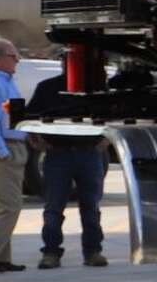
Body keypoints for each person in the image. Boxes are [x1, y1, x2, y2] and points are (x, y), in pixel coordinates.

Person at [24, 72, 106, 268]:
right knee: (54, 207)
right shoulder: (48, 87)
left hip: (89, 153)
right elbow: (30, 116)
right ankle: (51, 253)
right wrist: (35, 139)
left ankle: (93, 252)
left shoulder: (98, 89)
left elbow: (113, 114)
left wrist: (107, 138)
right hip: (58, 154)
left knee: (91, 207)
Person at [0, 39, 24, 274]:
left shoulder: (7, 82)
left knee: (2, 207)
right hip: (5, 149)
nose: (17, 60)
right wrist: (2, 152)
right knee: (11, 206)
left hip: (15, 144)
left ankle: (3, 259)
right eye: (12, 55)